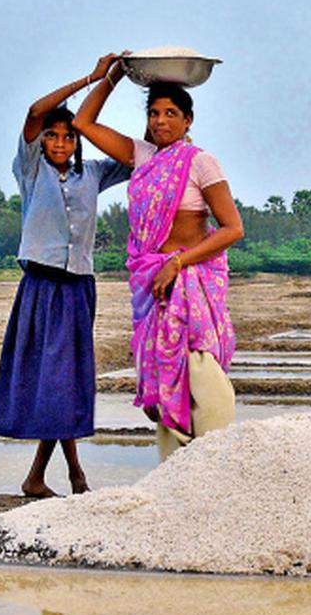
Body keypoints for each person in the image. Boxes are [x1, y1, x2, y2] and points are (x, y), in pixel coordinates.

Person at [73, 60, 242, 461]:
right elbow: (83, 122)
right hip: (153, 281)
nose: (161, 121)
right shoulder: (144, 157)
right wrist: (113, 74)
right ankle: (176, 472)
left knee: (199, 365)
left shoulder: (201, 162)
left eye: (171, 113)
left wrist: (178, 263)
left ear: (188, 120)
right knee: (163, 372)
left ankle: (217, 459)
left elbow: (232, 228)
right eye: (154, 113)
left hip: (191, 278)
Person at [0, 54, 131, 497]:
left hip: (78, 289)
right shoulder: (32, 170)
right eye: (52, 136)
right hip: (42, 287)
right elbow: (35, 112)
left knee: (66, 382)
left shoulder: (92, 173)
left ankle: (47, 476)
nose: (58, 142)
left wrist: (121, 82)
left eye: (68, 136)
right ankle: (73, 475)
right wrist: (93, 77)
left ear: (77, 141)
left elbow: (138, 153)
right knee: (54, 381)